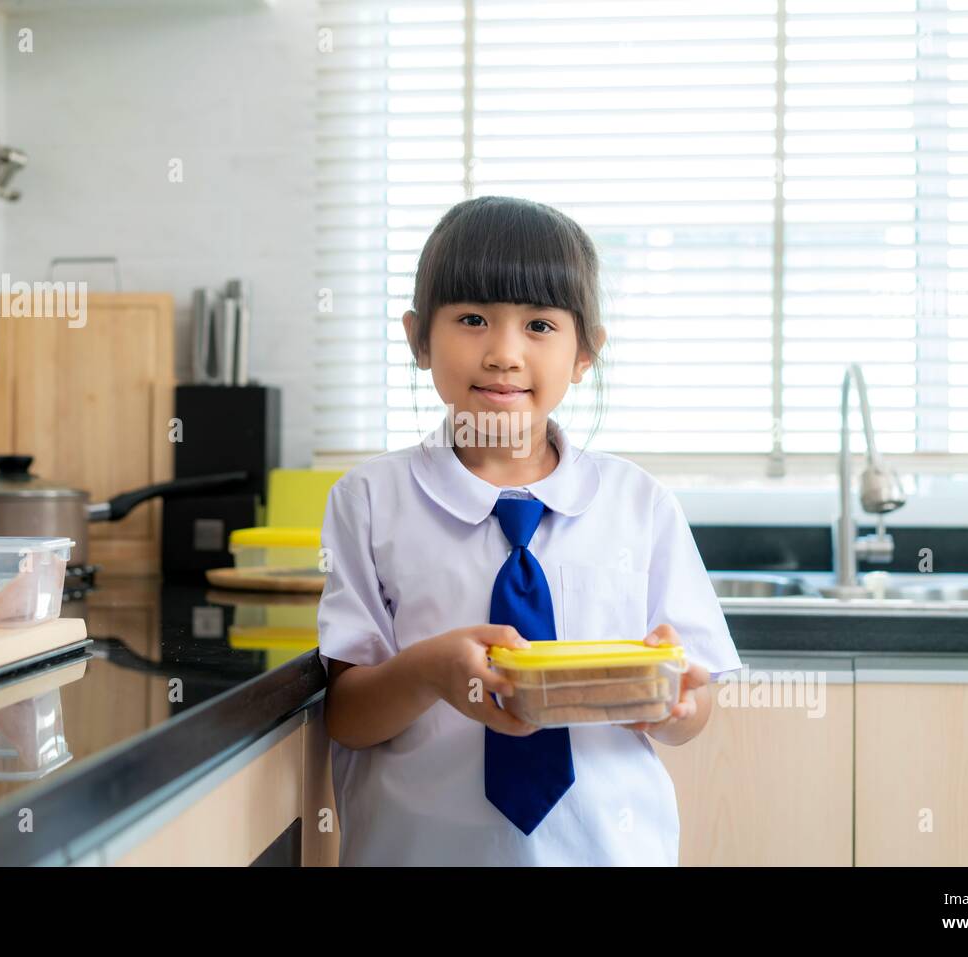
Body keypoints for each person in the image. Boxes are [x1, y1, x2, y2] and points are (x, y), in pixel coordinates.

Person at [317, 195, 743, 865]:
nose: (504, 353)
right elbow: (345, 714)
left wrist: (674, 707)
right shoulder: (368, 501)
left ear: (585, 352)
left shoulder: (641, 504)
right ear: (418, 338)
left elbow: (696, 700)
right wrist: (428, 672)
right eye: (473, 318)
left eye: (540, 324)